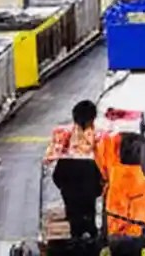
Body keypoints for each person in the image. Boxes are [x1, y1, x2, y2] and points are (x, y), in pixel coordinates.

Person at [45, 100, 106, 255]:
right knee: (91, 230)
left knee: (75, 230)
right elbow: (102, 179)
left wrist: (67, 190)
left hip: (70, 200)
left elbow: (56, 176)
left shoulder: (64, 146)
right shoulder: (99, 142)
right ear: (93, 119)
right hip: (89, 201)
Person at [104, 133, 145, 256]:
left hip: (114, 237)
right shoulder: (141, 181)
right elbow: (140, 214)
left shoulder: (114, 175)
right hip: (134, 237)